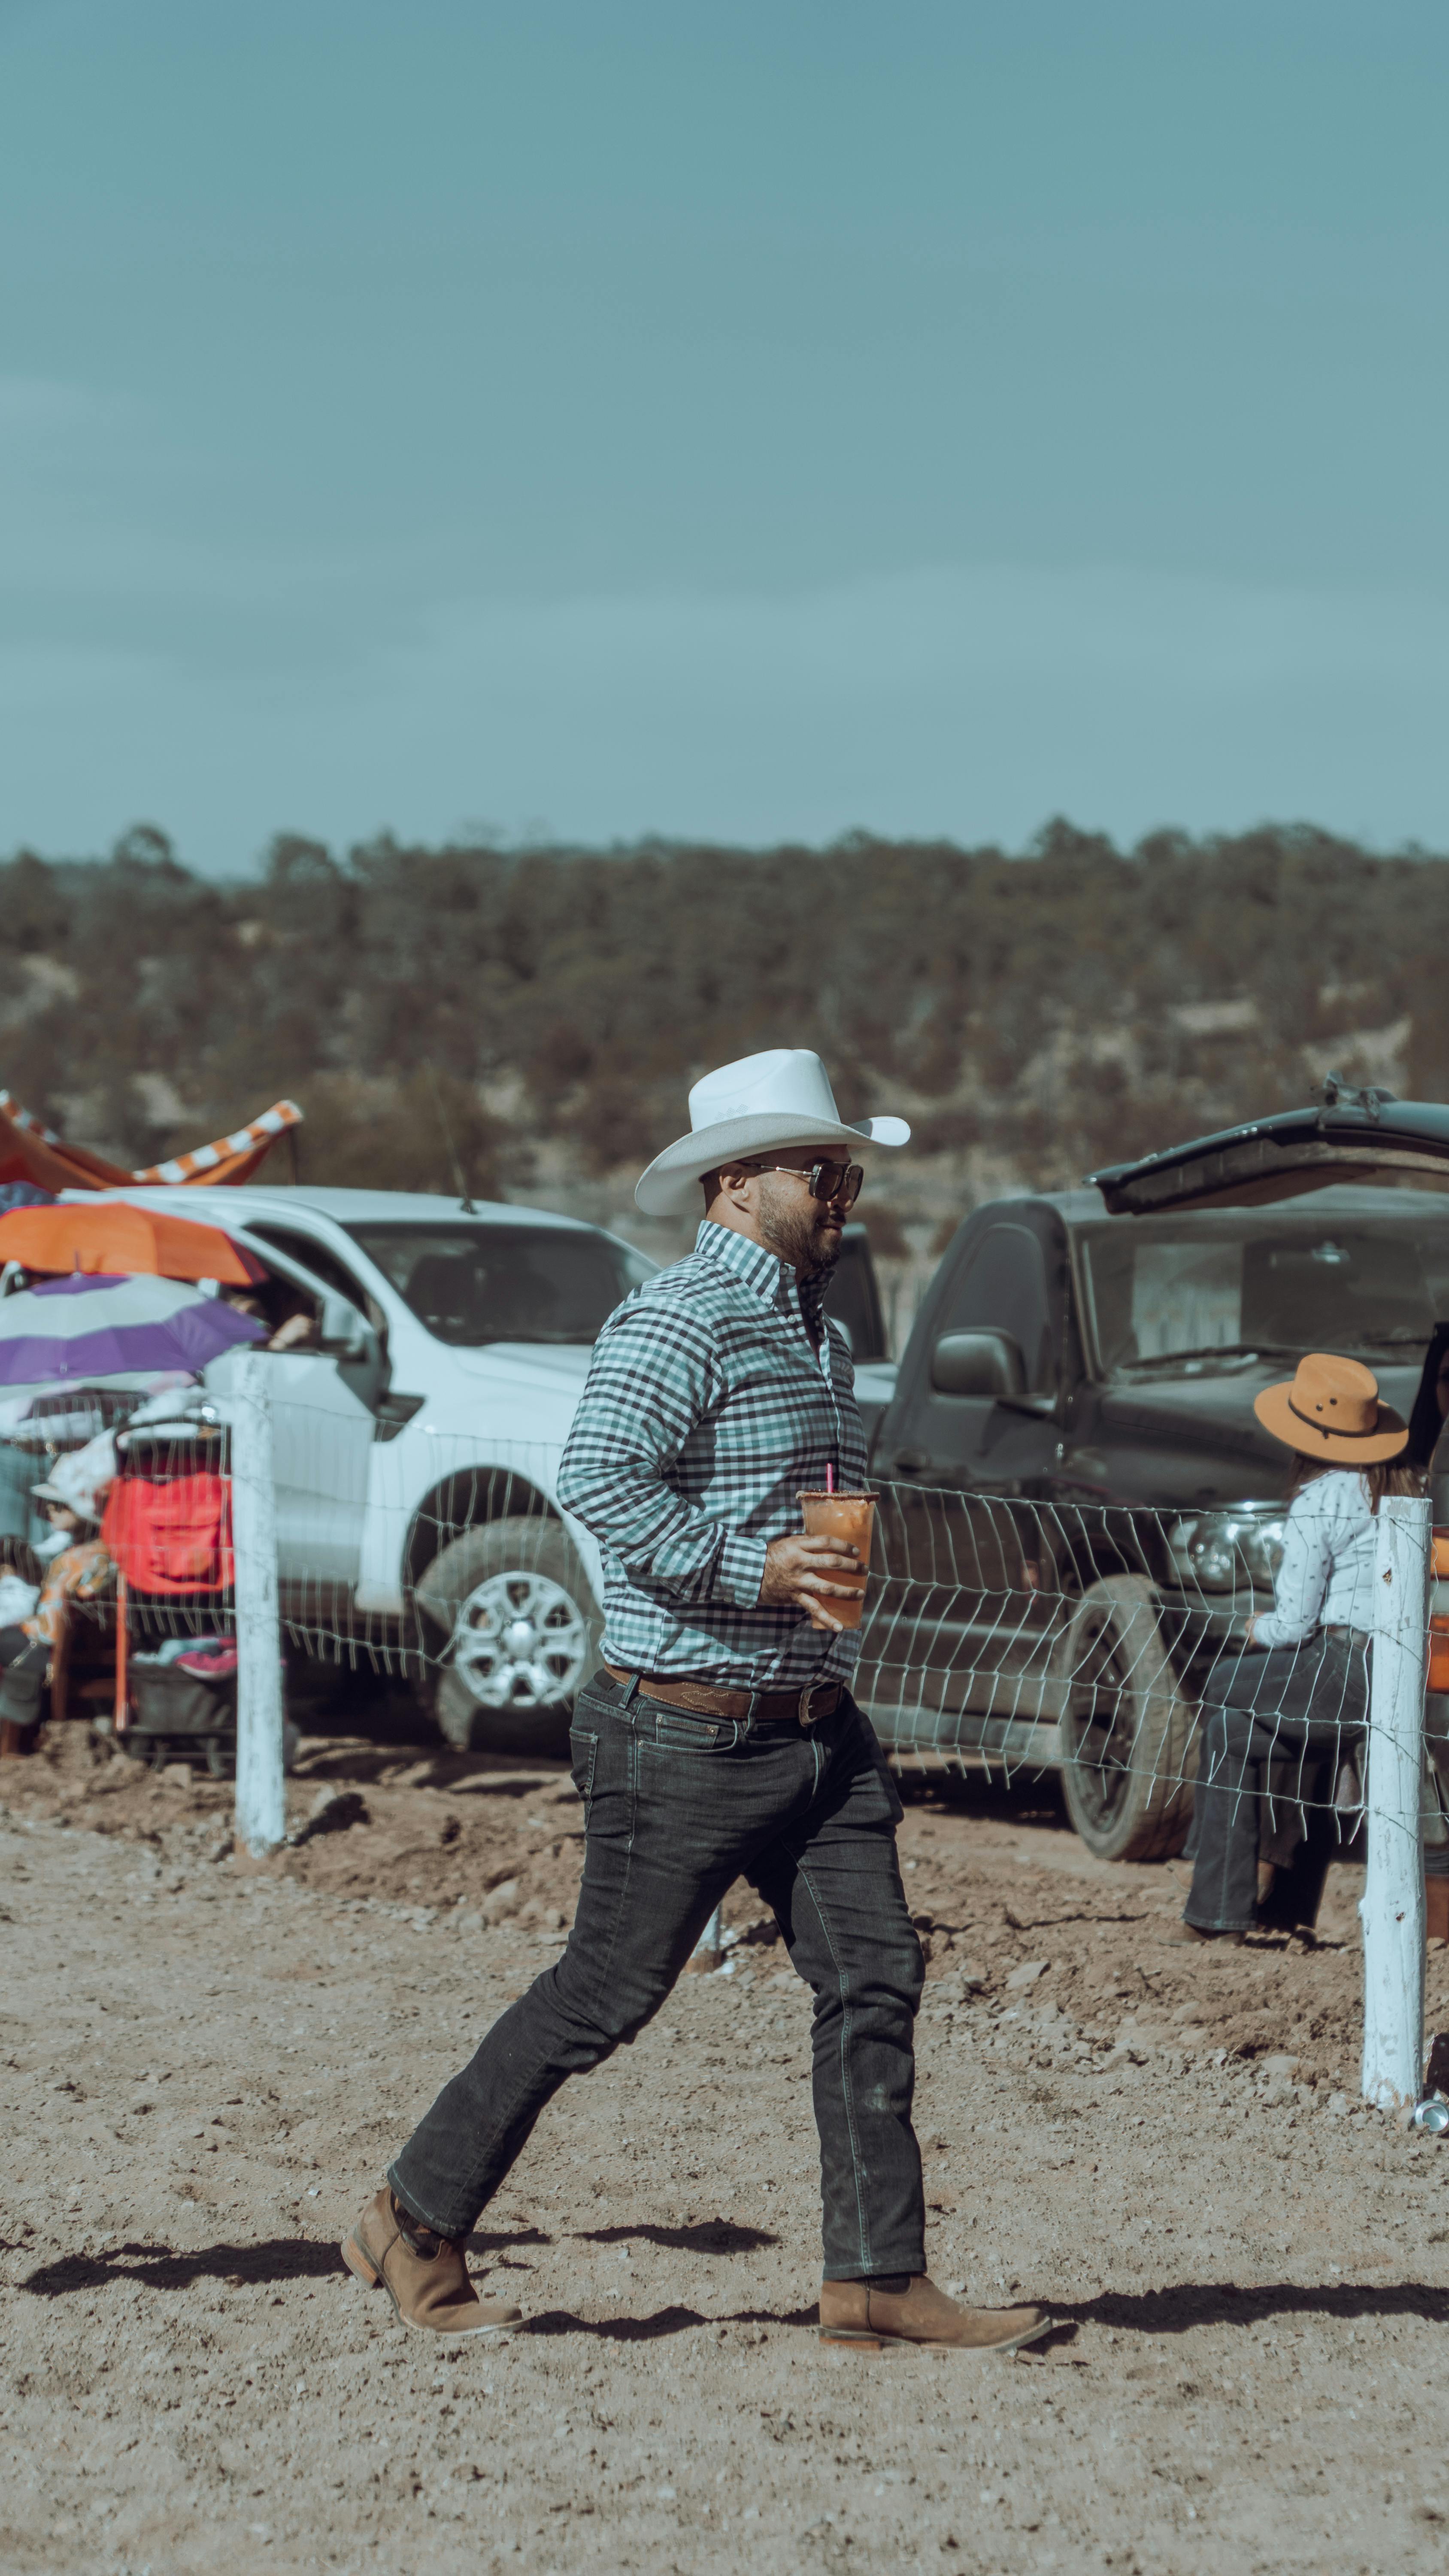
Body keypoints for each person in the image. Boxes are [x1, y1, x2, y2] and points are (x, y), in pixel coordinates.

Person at [343, 1048, 1049, 2356]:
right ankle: (412, 2212)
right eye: (821, 1169)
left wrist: (821, 1590)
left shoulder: (821, 1330)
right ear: (735, 1182)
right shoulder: (675, 1317)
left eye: (848, 1168)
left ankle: (876, 2275)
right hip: (680, 1726)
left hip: (813, 1726)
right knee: (605, 1993)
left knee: (876, 1972)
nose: (846, 1190)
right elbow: (601, 1479)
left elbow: (806, 1506)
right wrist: (754, 1561)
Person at [1173, 1352, 1418, 1944]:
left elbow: (1296, 1624)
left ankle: (1222, 1910)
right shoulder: (1398, 1486)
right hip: (1394, 1665)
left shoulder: (1320, 1501)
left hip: (1342, 1663)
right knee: (1236, 1732)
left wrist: (1253, 1629)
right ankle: (1261, 1908)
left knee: (1222, 1687)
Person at [0, 1446, 116, 1752]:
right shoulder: (103, 1553)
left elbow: (49, 1631)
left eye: (59, 1505)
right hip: (79, 1651)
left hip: (50, 1653)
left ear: (83, 1510)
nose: (48, 1510)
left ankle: (16, 1727)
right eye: (49, 1504)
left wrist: (22, 1622)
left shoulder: (71, 1561)